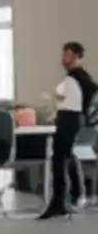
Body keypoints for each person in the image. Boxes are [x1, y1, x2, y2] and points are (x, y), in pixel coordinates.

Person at [39, 41, 97, 219]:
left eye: (69, 55)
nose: (65, 58)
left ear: (78, 57)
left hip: (71, 121)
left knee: (60, 158)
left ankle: (61, 200)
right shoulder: (75, 78)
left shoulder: (80, 78)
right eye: (64, 54)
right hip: (69, 120)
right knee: (64, 157)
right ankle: (70, 196)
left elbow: (85, 101)